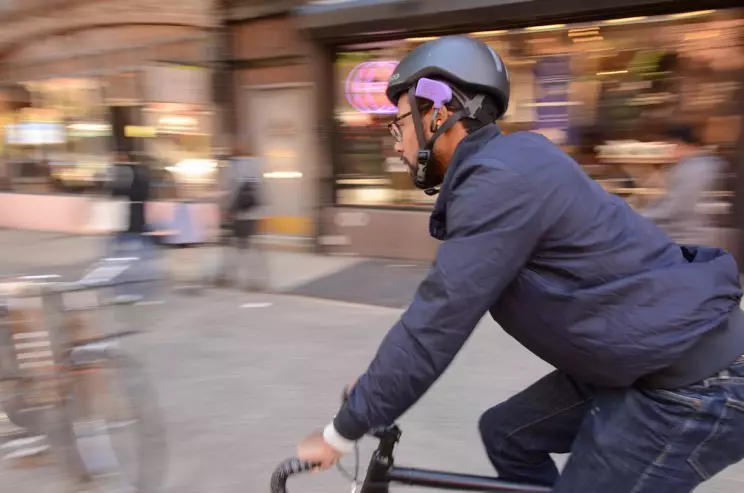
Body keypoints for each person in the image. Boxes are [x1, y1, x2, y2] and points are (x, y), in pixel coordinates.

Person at [295, 36, 744, 492]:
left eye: (399, 124)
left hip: (692, 383)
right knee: (507, 434)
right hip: (642, 354)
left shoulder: (499, 181)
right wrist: (376, 391)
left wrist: (341, 431)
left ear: (436, 111)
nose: (397, 144)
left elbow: (437, 321)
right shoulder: (508, 163)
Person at [641, 124, 725, 245]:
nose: (669, 151)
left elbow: (676, 208)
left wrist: (638, 217)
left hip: (685, 239)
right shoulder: (691, 166)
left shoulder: (696, 169)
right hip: (682, 238)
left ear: (679, 143)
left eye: (669, 145)